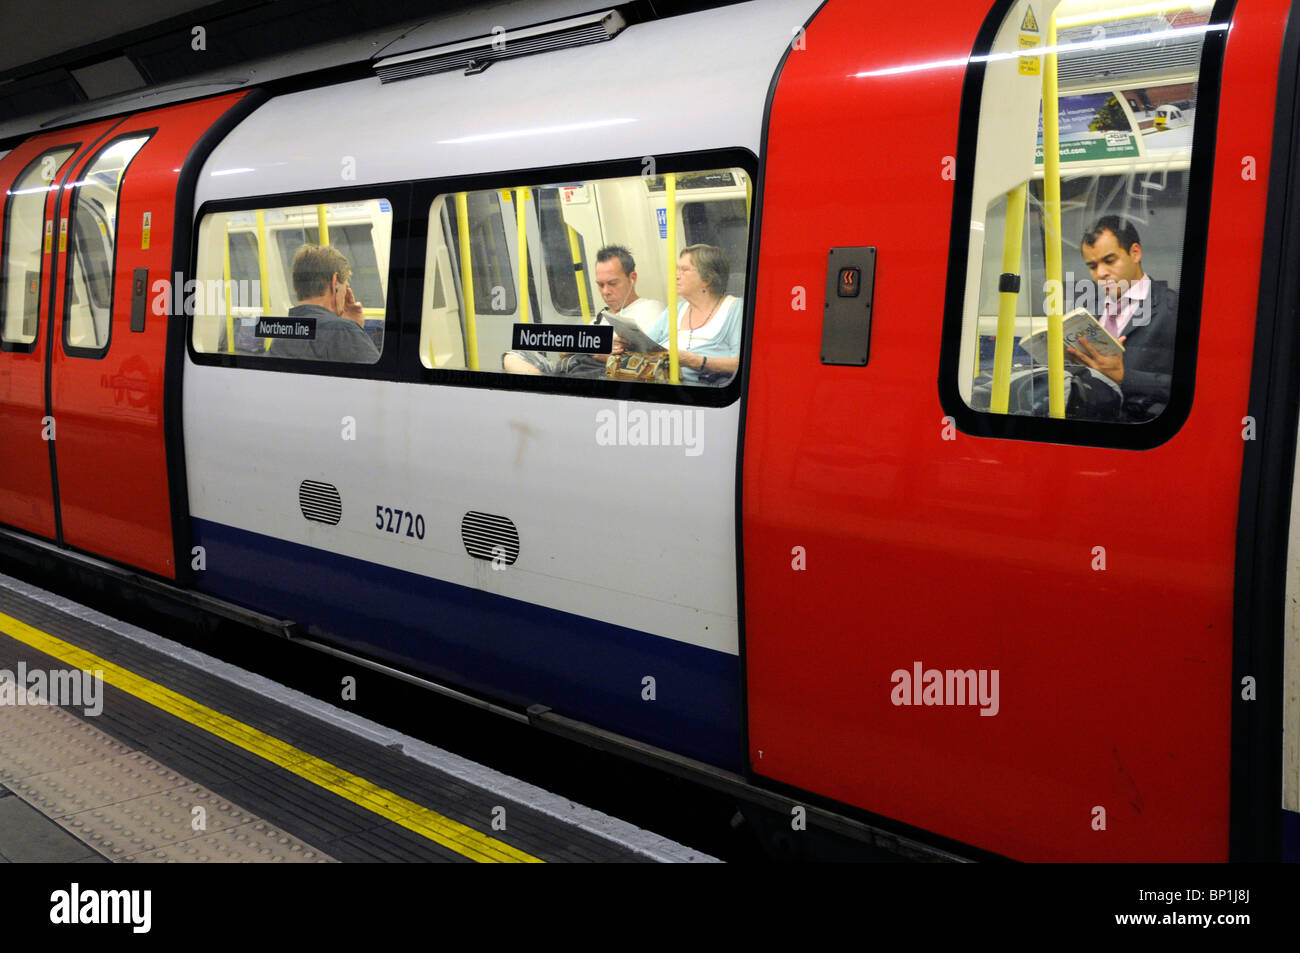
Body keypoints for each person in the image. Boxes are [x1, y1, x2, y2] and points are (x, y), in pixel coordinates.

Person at [1066, 216, 1177, 421]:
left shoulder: (1173, 310)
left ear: (1135, 253)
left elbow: (1196, 389)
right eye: (1092, 266)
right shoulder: (1084, 311)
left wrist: (1125, 378)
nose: (1101, 273)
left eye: (1109, 261)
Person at [502, 244, 662, 376]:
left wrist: (606, 355)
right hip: (568, 367)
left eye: (612, 283)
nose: (605, 291)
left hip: (600, 370)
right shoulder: (601, 317)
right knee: (512, 357)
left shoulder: (651, 309)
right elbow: (563, 355)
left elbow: (650, 360)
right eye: (600, 285)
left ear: (632, 278)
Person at [636, 243, 742, 386]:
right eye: (676, 269)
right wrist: (628, 343)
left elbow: (744, 364)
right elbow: (646, 347)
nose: (676, 276)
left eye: (684, 270)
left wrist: (696, 361)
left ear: (707, 279)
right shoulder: (674, 310)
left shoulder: (735, 309)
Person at [268, 244, 380, 362]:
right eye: (346, 287)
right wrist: (352, 328)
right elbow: (377, 377)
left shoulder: (282, 336)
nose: (346, 294)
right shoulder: (343, 332)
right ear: (335, 282)